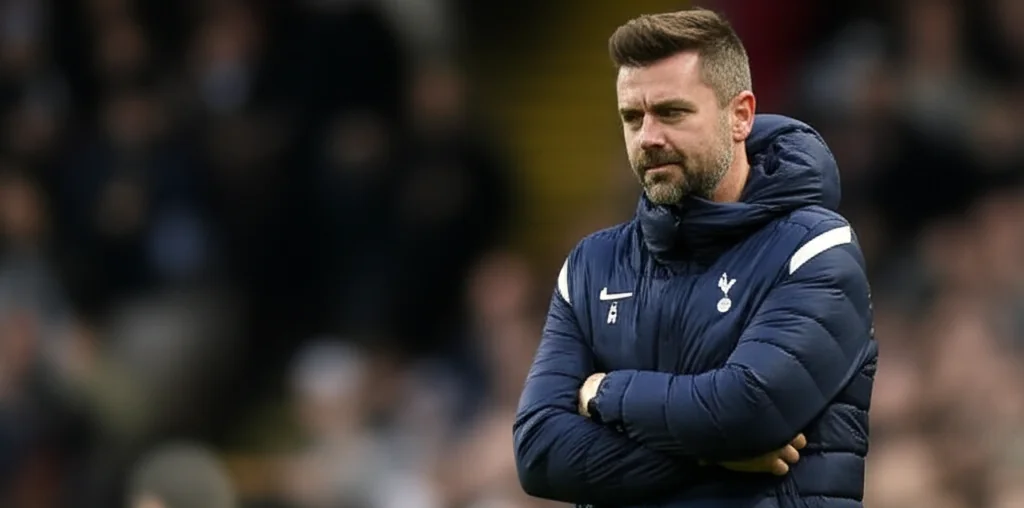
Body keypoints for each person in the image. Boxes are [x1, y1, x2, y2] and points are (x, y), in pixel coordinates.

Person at [512, 8, 877, 508]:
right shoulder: (591, 266)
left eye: (672, 112)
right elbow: (538, 453)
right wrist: (708, 456)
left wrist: (603, 393)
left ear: (741, 115)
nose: (648, 138)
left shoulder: (814, 249)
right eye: (632, 118)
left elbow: (746, 414)